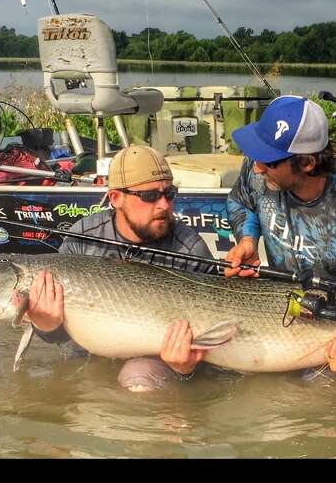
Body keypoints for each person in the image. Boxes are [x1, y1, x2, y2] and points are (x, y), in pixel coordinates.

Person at [222, 95, 336, 376]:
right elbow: (240, 201)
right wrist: (248, 239)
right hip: (275, 314)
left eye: (269, 162)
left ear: (307, 162)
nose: (257, 167)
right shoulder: (259, 166)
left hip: (332, 334)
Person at [17, 145, 215, 389]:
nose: (164, 205)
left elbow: (212, 349)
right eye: (150, 196)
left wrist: (185, 369)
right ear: (115, 198)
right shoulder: (82, 238)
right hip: (88, 356)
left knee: (138, 378)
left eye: (170, 194)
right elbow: (58, 336)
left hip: (152, 364)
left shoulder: (191, 250)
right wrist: (46, 326)